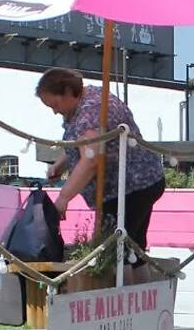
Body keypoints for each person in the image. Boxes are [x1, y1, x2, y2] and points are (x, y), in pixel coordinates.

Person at [36, 67, 166, 254]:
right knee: (132, 253)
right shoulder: (89, 98)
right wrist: (61, 164)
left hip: (129, 188)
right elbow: (82, 143)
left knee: (112, 254)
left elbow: (91, 160)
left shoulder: (91, 113)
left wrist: (64, 198)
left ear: (66, 92)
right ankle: (145, 282)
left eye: (54, 105)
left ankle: (127, 283)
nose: (55, 112)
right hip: (141, 183)